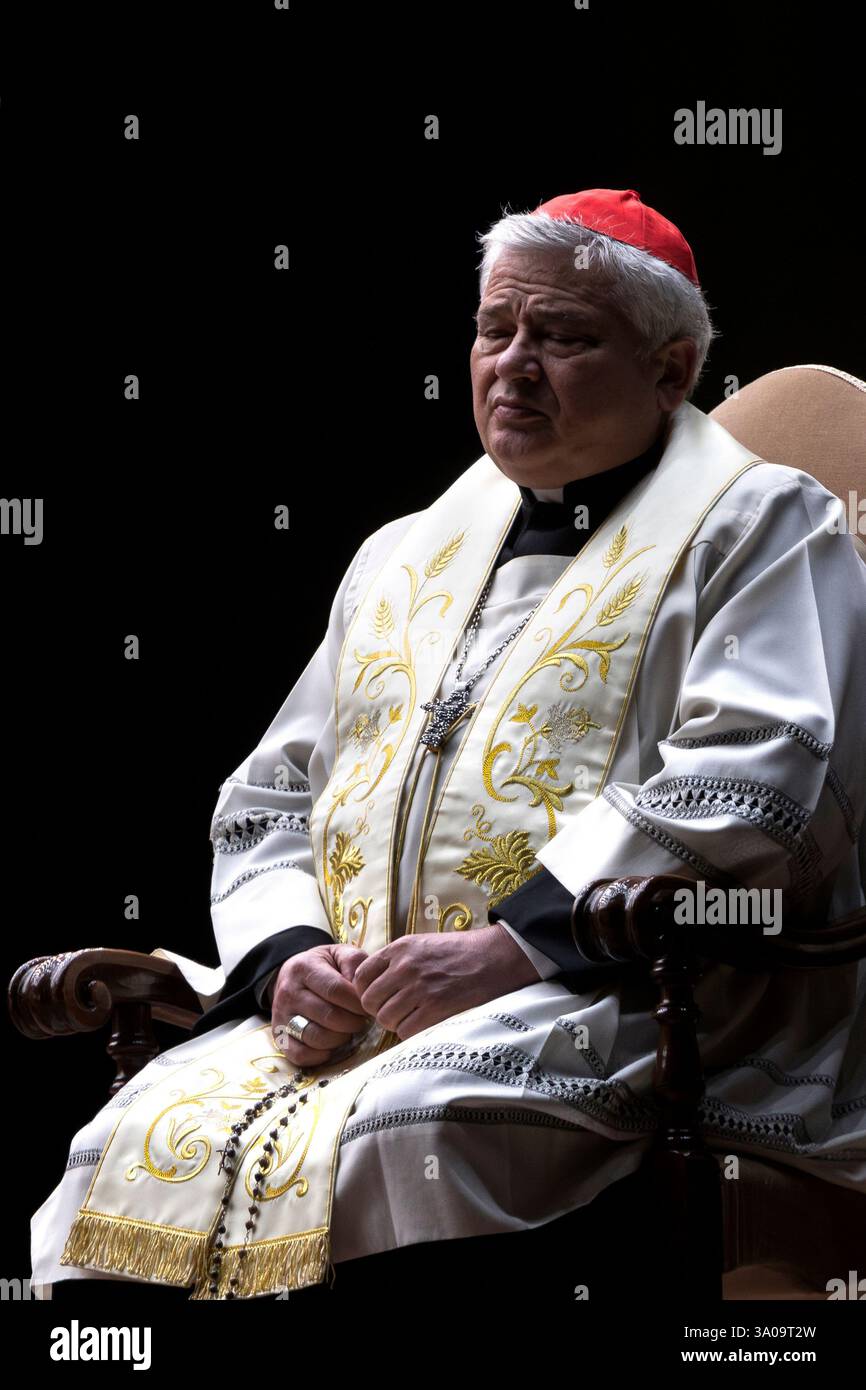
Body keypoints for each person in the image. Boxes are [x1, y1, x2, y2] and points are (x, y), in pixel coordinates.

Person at [32, 189, 866, 1302]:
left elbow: (760, 770)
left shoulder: (760, 523)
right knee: (120, 1150)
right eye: (494, 329)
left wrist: (515, 948)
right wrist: (291, 958)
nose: (512, 366)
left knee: (398, 1135)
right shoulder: (401, 554)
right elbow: (272, 799)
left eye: (562, 336)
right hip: (358, 1005)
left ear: (670, 371)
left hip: (622, 994)